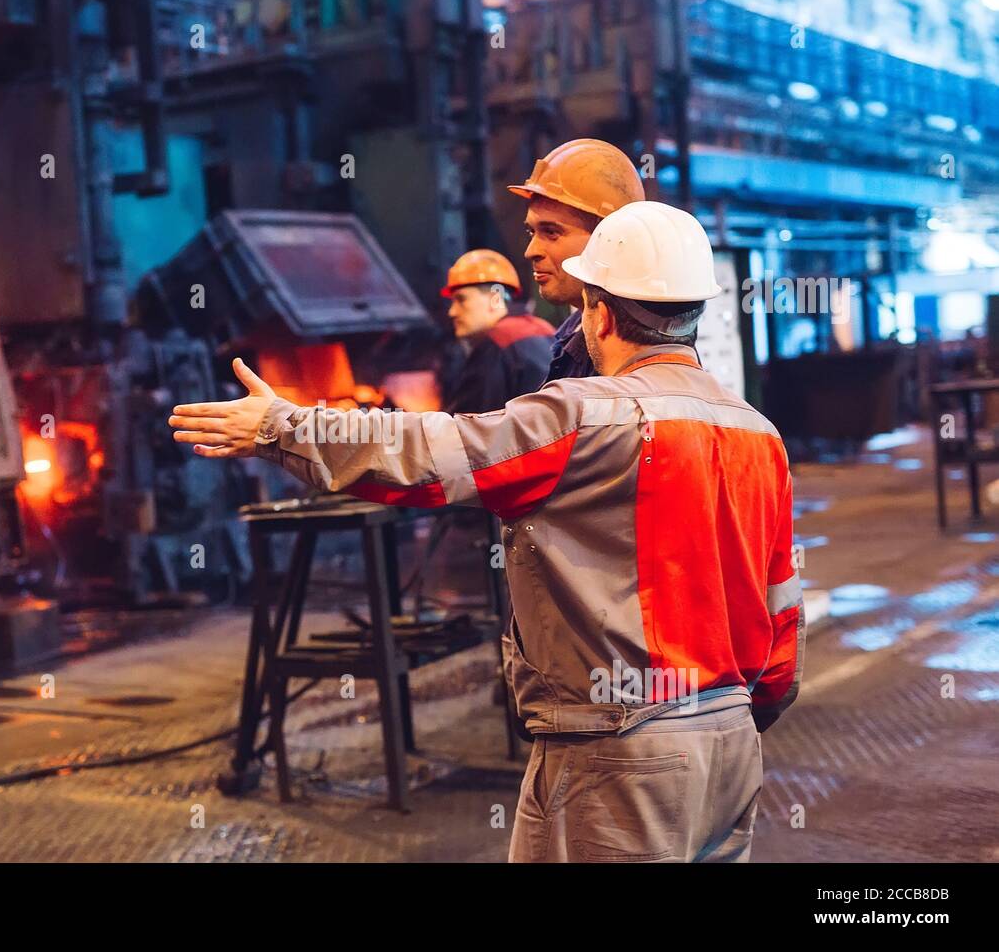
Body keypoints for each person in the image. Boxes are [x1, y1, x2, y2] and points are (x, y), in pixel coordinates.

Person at [169, 201, 805, 863]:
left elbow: (428, 455)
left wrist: (283, 427)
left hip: (622, 748)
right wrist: (732, 714)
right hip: (731, 743)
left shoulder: (583, 418)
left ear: (601, 312)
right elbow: (783, 608)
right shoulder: (759, 432)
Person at [508, 138, 647, 383]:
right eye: (532, 232)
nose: (531, 251)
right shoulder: (572, 338)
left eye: (551, 232)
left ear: (610, 238)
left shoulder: (632, 356)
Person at [440, 249, 555, 414]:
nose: (452, 312)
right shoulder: (546, 329)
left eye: (461, 299)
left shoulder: (497, 341)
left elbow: (467, 425)